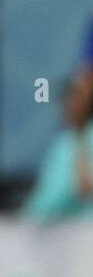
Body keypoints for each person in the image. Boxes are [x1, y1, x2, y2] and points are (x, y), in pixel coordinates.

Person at [22, 73, 93, 220]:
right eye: (69, 98)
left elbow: (78, 188)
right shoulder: (64, 143)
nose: (71, 105)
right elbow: (47, 198)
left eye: (79, 97)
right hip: (54, 231)